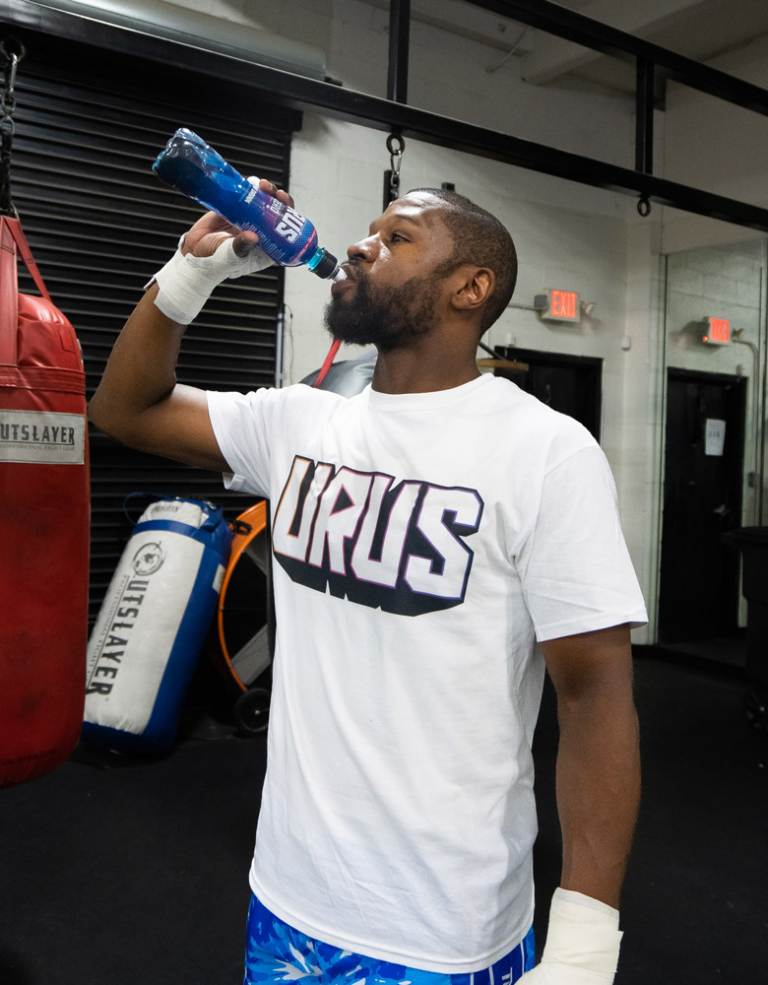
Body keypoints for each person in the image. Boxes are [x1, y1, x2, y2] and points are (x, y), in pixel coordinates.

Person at [90, 180, 647, 985]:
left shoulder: (547, 453)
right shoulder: (302, 422)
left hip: (446, 931)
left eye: (400, 237)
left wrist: (585, 948)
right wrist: (189, 276)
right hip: (289, 900)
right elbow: (123, 408)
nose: (361, 243)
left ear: (471, 287)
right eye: (370, 228)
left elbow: (596, 698)